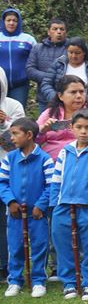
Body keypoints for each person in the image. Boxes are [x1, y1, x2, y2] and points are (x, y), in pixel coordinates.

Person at [49, 109, 88, 301]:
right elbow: (56, 179)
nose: (83, 131)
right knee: (62, 242)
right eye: (79, 127)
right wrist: (54, 204)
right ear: (71, 128)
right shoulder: (65, 152)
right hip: (64, 204)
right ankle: (68, 282)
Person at [1, 118, 54, 298]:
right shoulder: (9, 159)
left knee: (40, 245)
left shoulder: (45, 159)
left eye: (15, 133)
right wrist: (10, 201)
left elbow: (51, 185)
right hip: (15, 214)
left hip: (37, 214)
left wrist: (40, 205)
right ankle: (15, 280)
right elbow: (2, 183)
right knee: (15, 246)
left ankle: (38, 279)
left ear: (29, 135)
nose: (12, 137)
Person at [37, 76, 88, 161]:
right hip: (51, 164)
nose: (79, 96)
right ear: (60, 96)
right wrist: (42, 131)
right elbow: (32, 140)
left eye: (82, 92)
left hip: (85, 162)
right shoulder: (50, 113)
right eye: (73, 92)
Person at [0, 67, 26, 285]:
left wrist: (4, 123)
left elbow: (14, 145)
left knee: (6, 221)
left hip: (9, 170)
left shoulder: (13, 106)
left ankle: (6, 266)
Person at [40, 37, 88, 108]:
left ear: (84, 52)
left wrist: (86, 101)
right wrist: (57, 99)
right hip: (59, 106)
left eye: (77, 53)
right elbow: (46, 83)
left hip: (85, 107)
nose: (73, 56)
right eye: (70, 52)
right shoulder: (59, 63)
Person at [26, 18, 68, 112]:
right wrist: (49, 77)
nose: (59, 32)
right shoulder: (38, 48)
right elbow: (30, 70)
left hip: (67, 96)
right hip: (44, 97)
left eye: (62, 29)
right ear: (49, 32)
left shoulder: (71, 48)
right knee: (45, 124)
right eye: (55, 29)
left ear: (65, 32)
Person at [0, 7, 36, 106]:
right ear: (3, 22)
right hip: (0, 84)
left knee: (17, 113)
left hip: (20, 84)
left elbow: (36, 58)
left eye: (14, 21)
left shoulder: (28, 39)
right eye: (8, 20)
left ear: (19, 22)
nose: (11, 23)